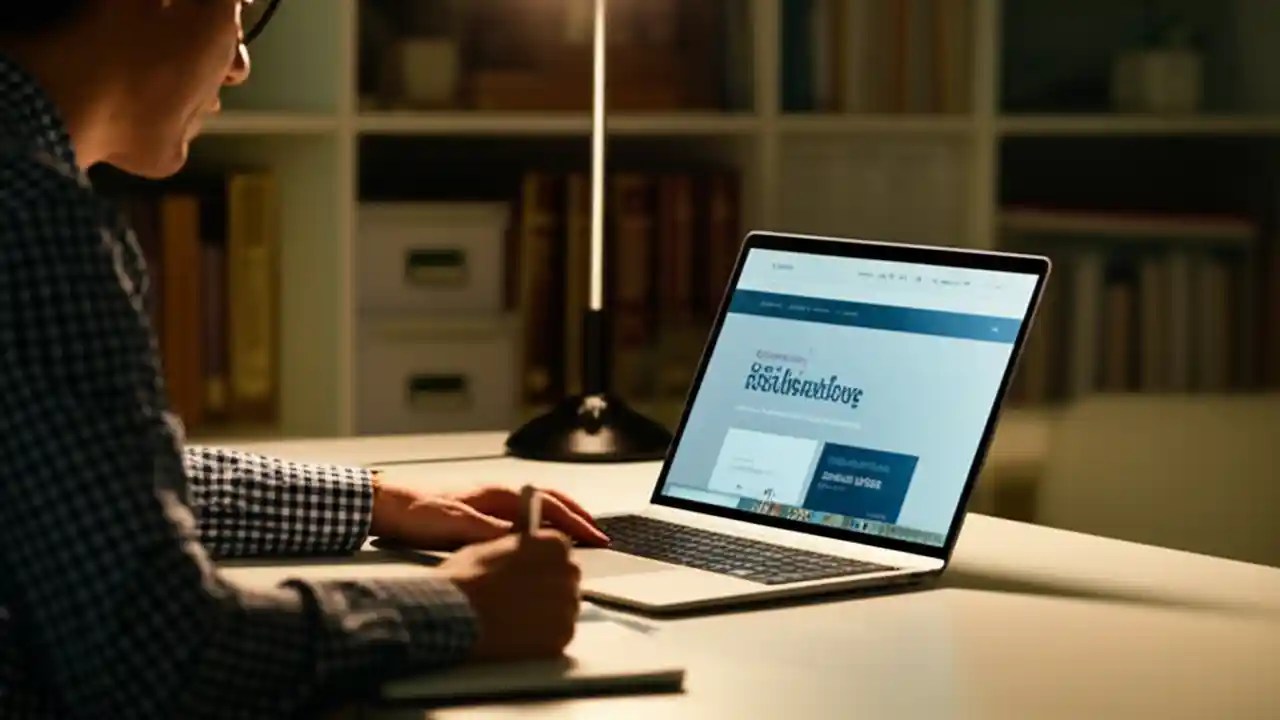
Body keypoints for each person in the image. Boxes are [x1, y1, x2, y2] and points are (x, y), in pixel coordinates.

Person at [0, 2, 610, 717]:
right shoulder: (32, 222)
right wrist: (460, 609)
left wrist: (373, 501)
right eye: (236, 8)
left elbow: (72, 483)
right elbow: (160, 658)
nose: (239, 62)